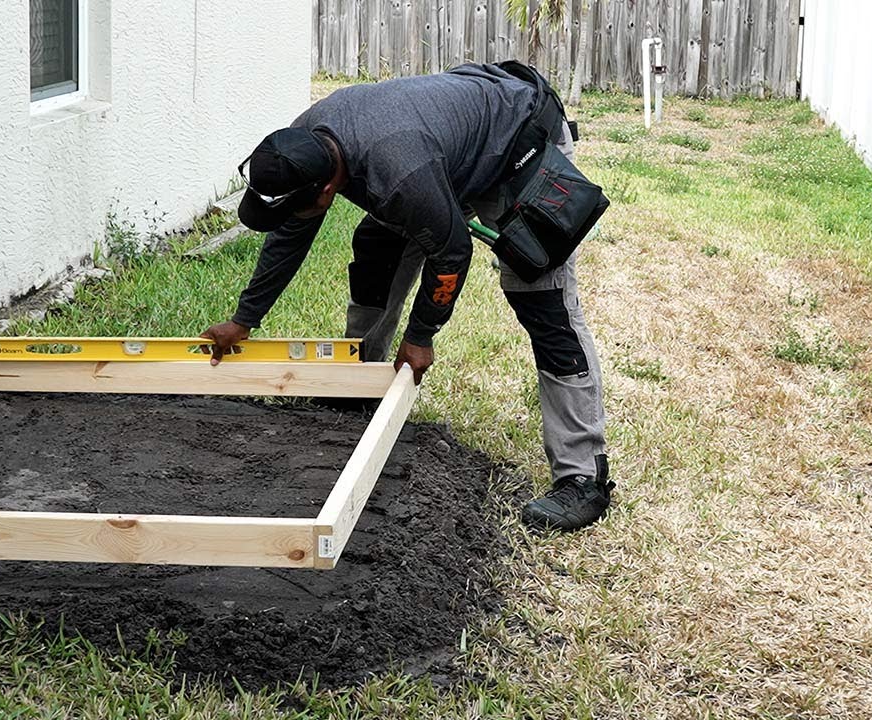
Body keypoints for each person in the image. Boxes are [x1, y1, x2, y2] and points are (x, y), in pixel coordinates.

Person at [200, 63, 612, 533]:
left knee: (542, 300)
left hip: (517, 139)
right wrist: (244, 318)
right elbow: (289, 234)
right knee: (379, 253)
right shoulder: (299, 146)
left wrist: (421, 337)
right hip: (438, 153)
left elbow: (453, 253)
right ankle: (360, 385)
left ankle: (583, 477)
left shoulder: (399, 174)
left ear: (328, 189)